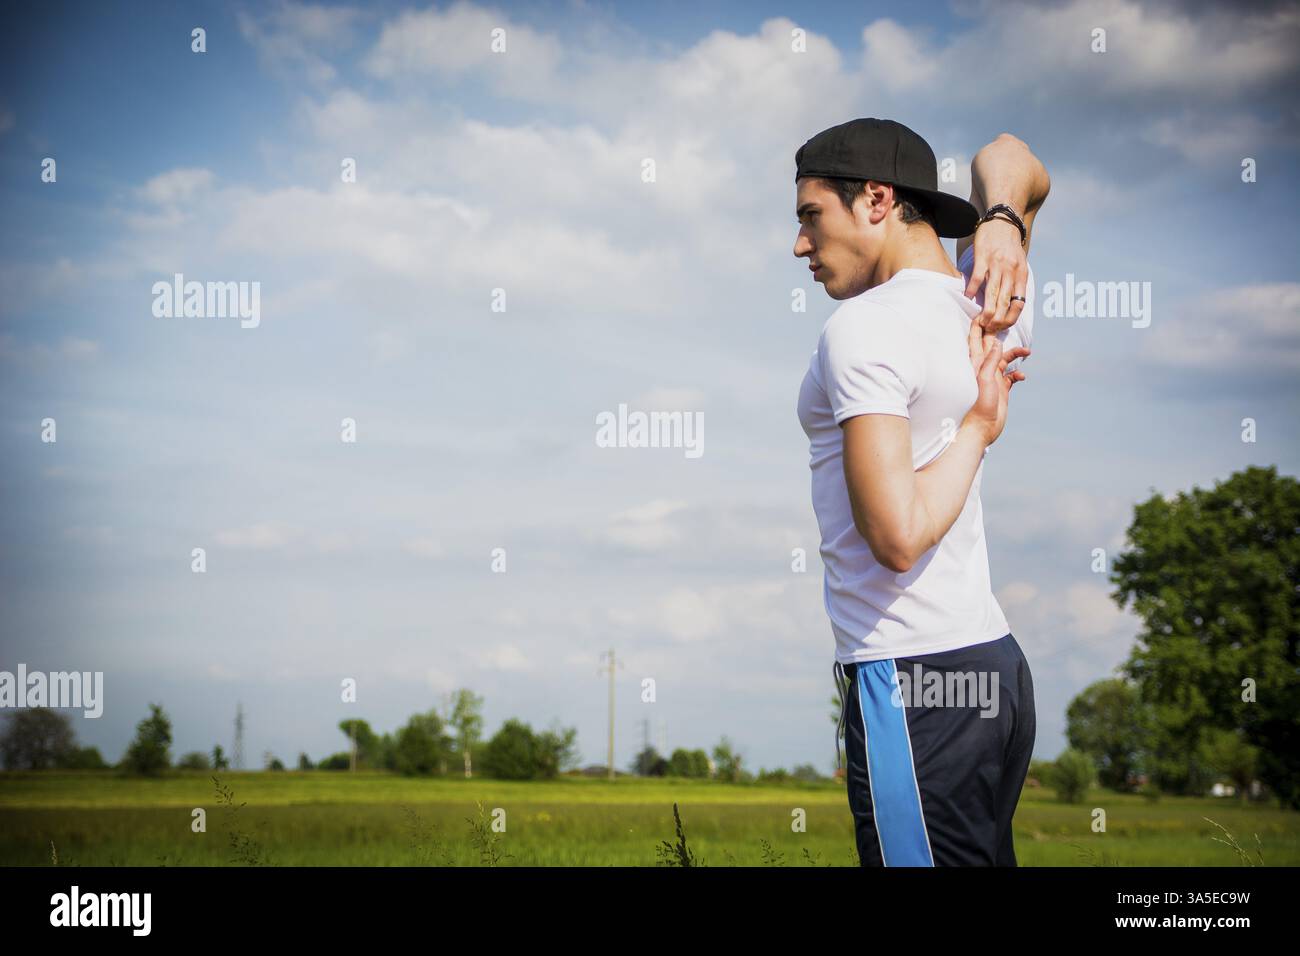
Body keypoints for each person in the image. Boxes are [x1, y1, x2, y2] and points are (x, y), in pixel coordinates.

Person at [793, 119, 1050, 865]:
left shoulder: (864, 328)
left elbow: (898, 536)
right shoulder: (989, 297)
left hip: (912, 677)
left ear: (876, 199)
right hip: (992, 669)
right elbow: (1013, 155)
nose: (800, 246)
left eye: (812, 217)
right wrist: (1003, 222)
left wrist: (974, 430)